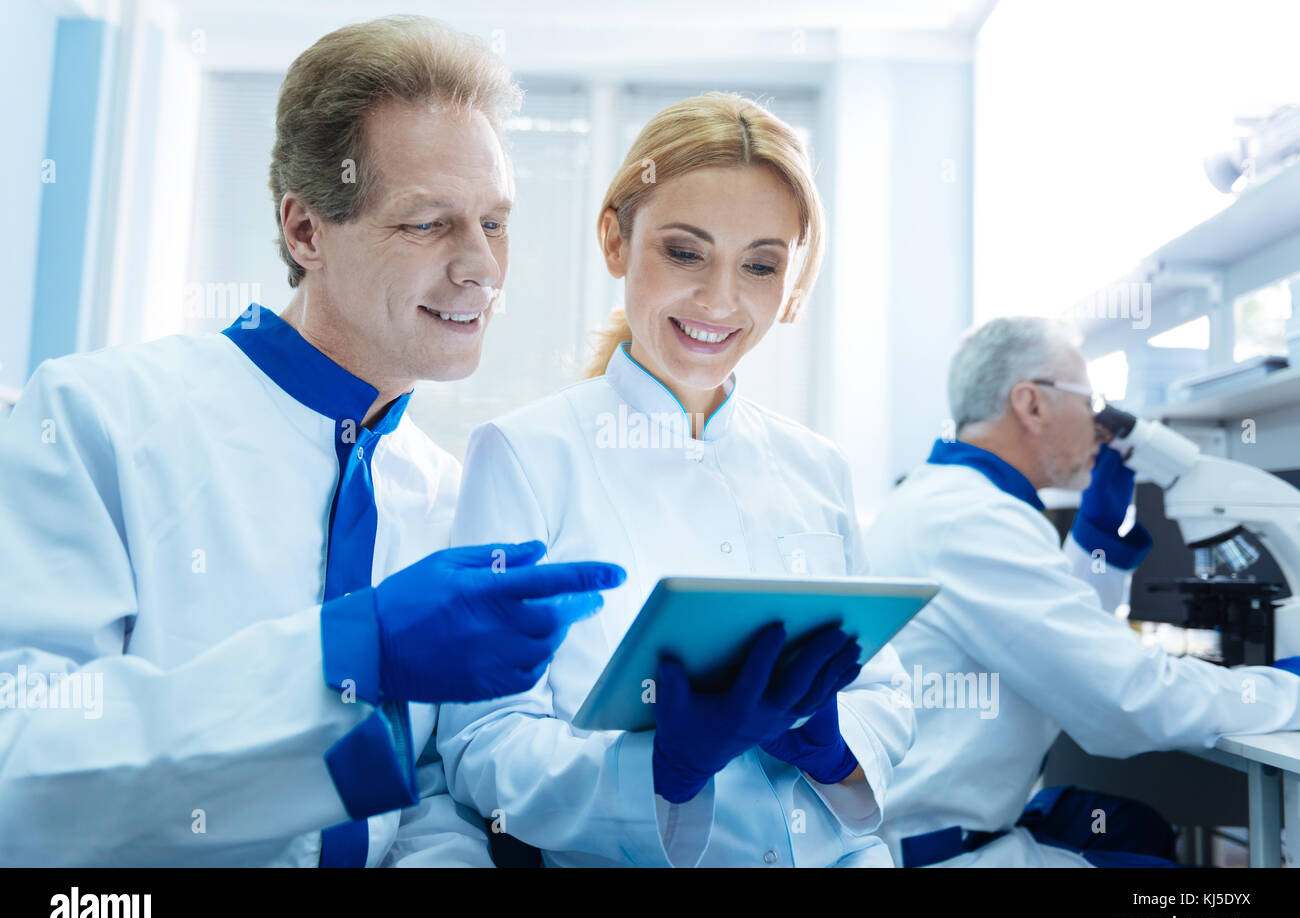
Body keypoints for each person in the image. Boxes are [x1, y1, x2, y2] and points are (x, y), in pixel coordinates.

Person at [0, 15, 623, 867]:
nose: (482, 266)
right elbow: (20, 764)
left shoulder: (449, 497)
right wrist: (342, 655)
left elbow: (430, 800)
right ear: (305, 232)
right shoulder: (95, 419)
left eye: (495, 221)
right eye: (429, 223)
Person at [438, 93, 915, 867]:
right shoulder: (525, 454)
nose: (721, 300)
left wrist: (835, 749)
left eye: (760, 264)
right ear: (615, 239)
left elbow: (883, 688)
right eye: (686, 252)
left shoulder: (816, 467)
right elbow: (482, 742)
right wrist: (660, 771)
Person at [864, 316, 1300, 867]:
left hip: (936, 827)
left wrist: (1099, 548)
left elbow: (1056, 643)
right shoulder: (974, 520)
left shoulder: (946, 498)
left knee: (1132, 829)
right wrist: (1283, 687)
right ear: (1032, 404)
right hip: (941, 853)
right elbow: (1127, 700)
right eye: (1088, 400)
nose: (1099, 425)